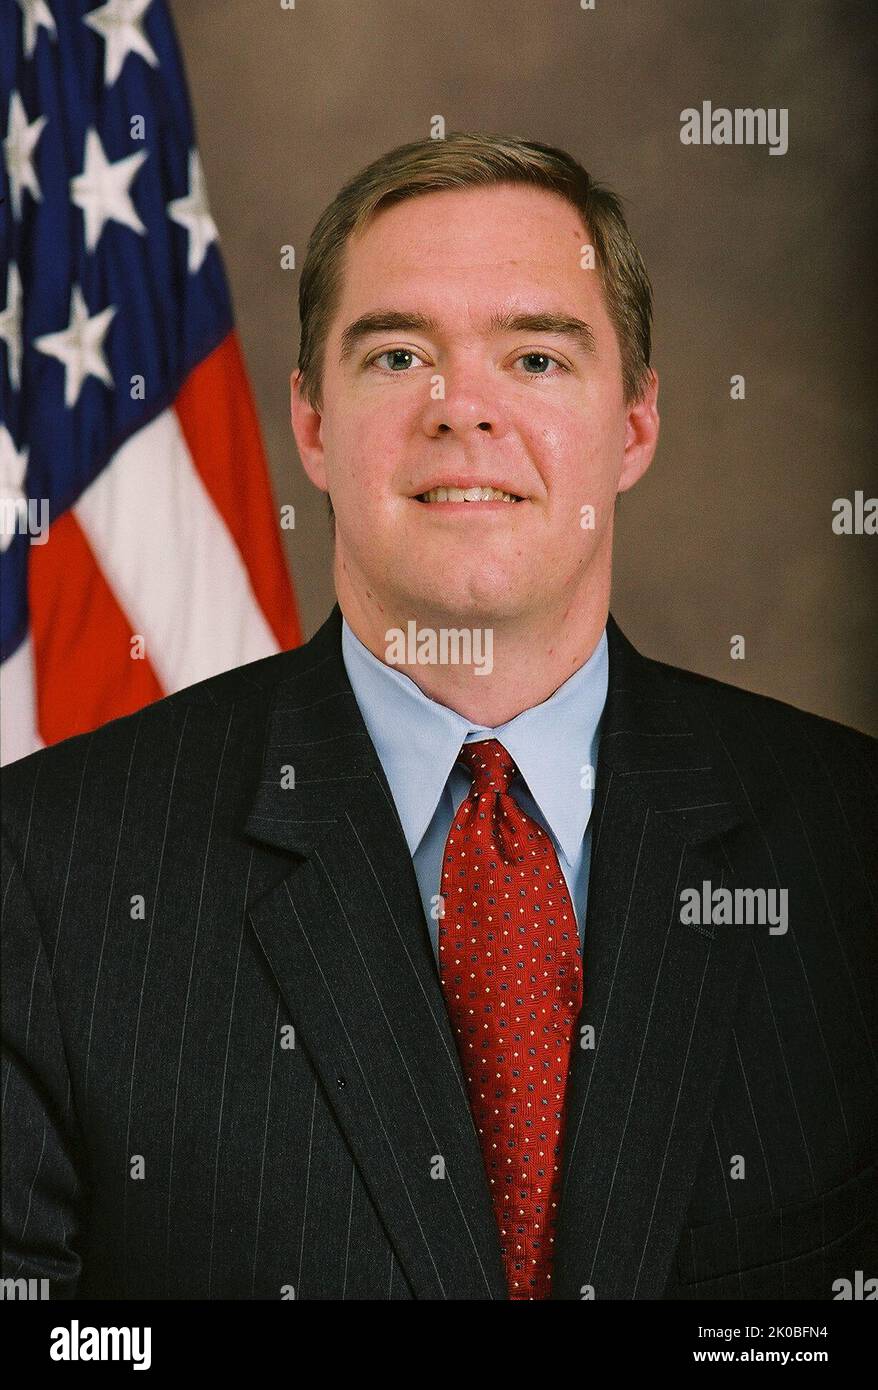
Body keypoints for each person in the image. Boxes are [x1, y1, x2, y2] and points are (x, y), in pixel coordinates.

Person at [2, 133, 875, 1301]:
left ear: (633, 426)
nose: (462, 409)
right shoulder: (52, 866)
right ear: (311, 424)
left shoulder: (848, 846)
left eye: (534, 358)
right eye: (399, 352)